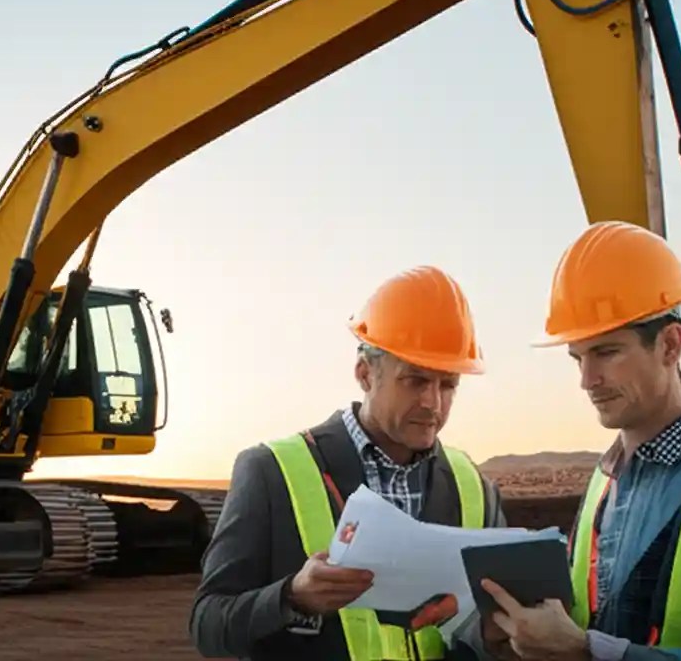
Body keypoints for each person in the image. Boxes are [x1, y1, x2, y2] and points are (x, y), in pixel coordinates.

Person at [480, 221, 681, 660]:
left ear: (670, 345)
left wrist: (583, 649)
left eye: (607, 352)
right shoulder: (603, 480)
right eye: (578, 358)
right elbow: (587, 619)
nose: (587, 380)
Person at [190, 266, 512, 660]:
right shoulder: (270, 471)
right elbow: (208, 625)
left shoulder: (474, 488)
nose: (433, 403)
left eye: (448, 385)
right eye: (415, 380)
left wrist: (500, 634)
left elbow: (492, 626)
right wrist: (294, 597)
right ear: (365, 373)